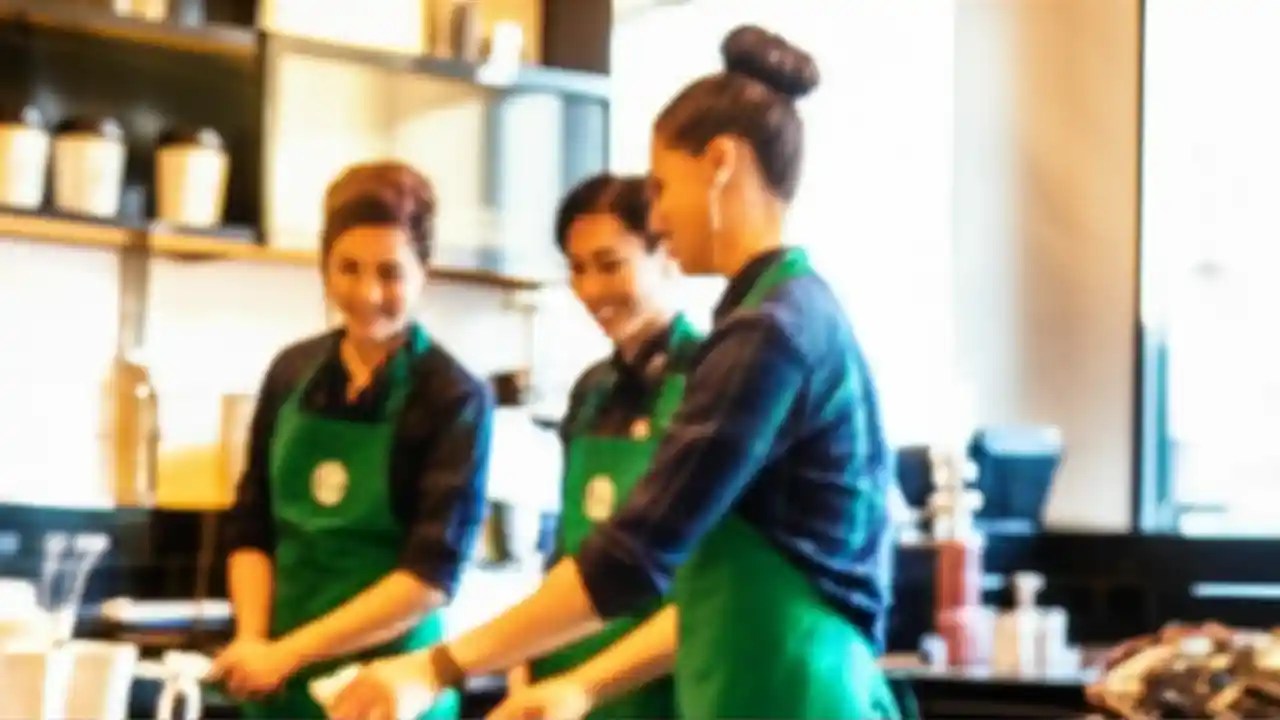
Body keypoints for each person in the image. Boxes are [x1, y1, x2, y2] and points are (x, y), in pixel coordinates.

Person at [328, 25, 900, 720]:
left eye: (662, 186)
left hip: (791, 696)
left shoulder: (769, 334)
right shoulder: (783, 313)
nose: (658, 215)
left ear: (720, 162)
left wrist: (435, 667)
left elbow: (633, 557)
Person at [210, 161, 494, 720]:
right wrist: (251, 640)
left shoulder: (454, 395)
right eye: (349, 268)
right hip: (278, 686)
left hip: (389, 690)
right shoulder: (291, 372)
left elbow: (428, 579)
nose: (367, 293)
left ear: (424, 272)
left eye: (390, 272)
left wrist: (286, 653)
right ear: (323, 266)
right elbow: (252, 523)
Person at [504, 172, 699, 720]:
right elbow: (566, 548)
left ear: (665, 254)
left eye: (610, 265)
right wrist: (522, 658)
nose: (591, 291)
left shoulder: (711, 381)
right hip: (563, 688)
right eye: (577, 269)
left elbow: (708, 585)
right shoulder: (591, 390)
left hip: (659, 687)